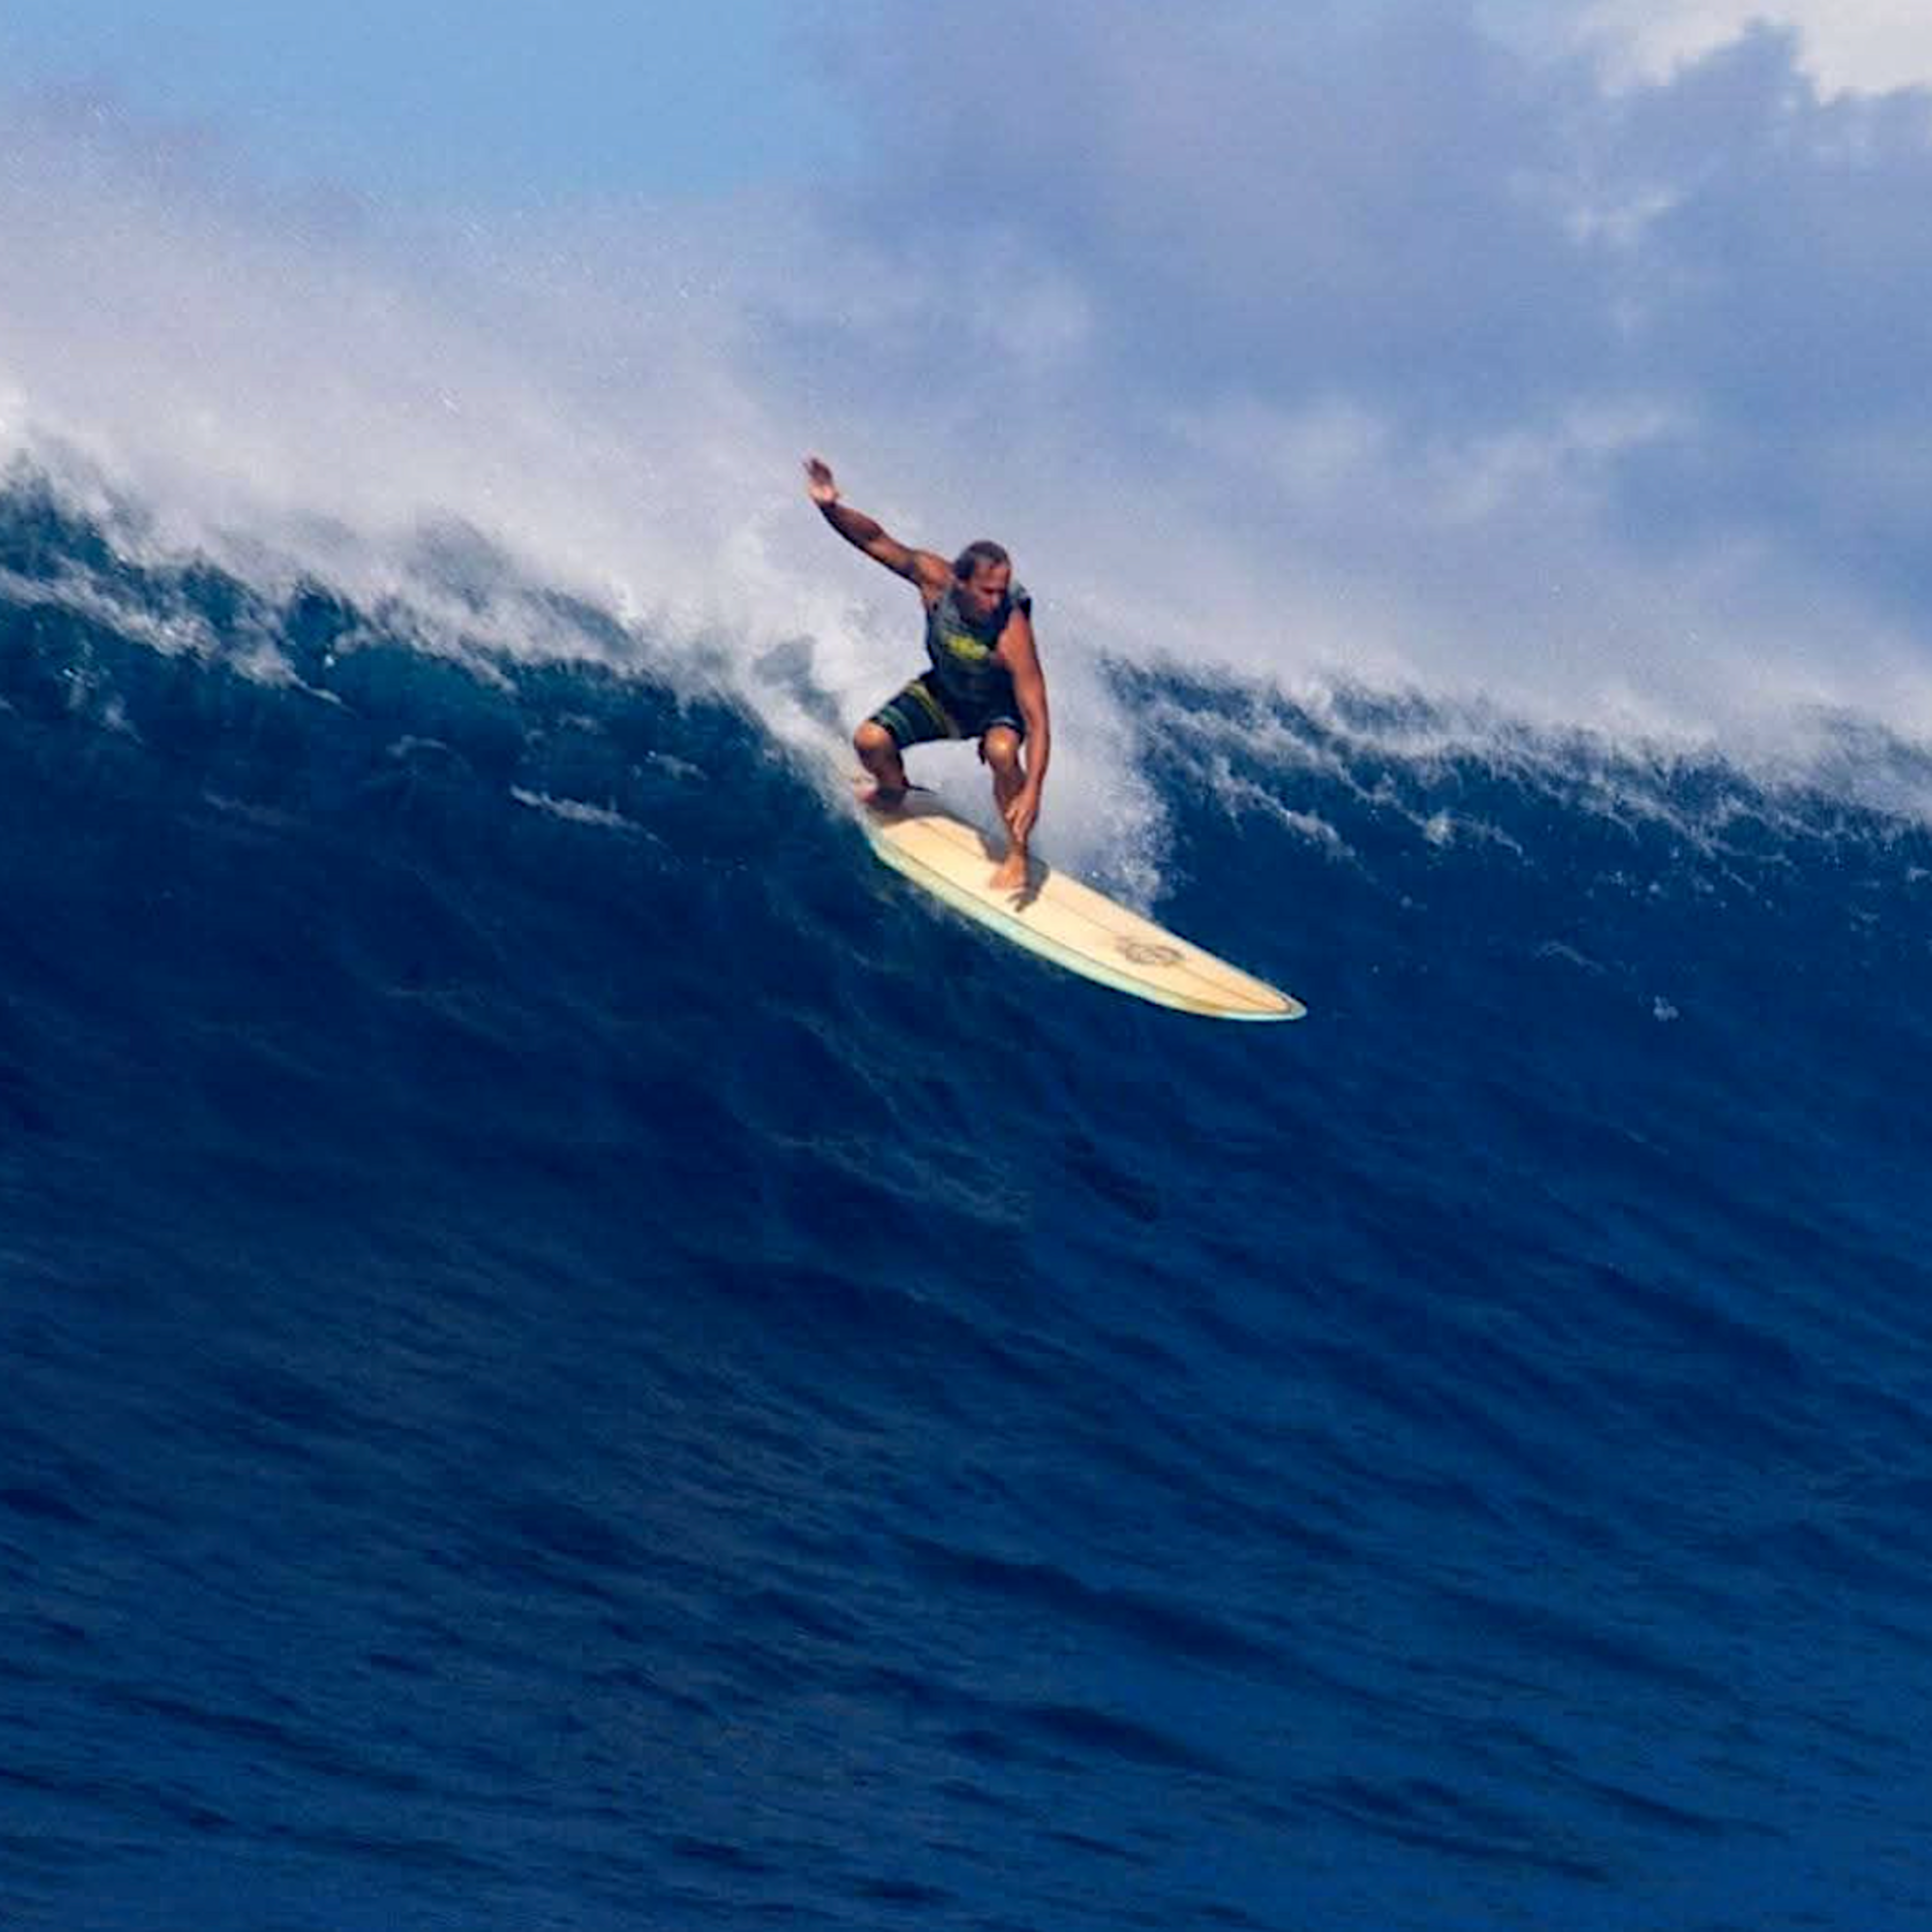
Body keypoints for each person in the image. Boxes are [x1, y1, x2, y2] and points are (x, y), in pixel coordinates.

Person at [804, 455, 1049, 895]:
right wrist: (830, 508)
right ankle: (895, 791)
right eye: (988, 591)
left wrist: (1032, 791)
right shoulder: (935, 582)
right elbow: (876, 541)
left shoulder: (1012, 630)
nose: (997, 601)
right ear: (960, 581)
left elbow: (1038, 719)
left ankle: (1018, 855)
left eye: (1003, 590)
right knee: (869, 741)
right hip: (947, 696)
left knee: (1000, 751)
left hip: (997, 710)